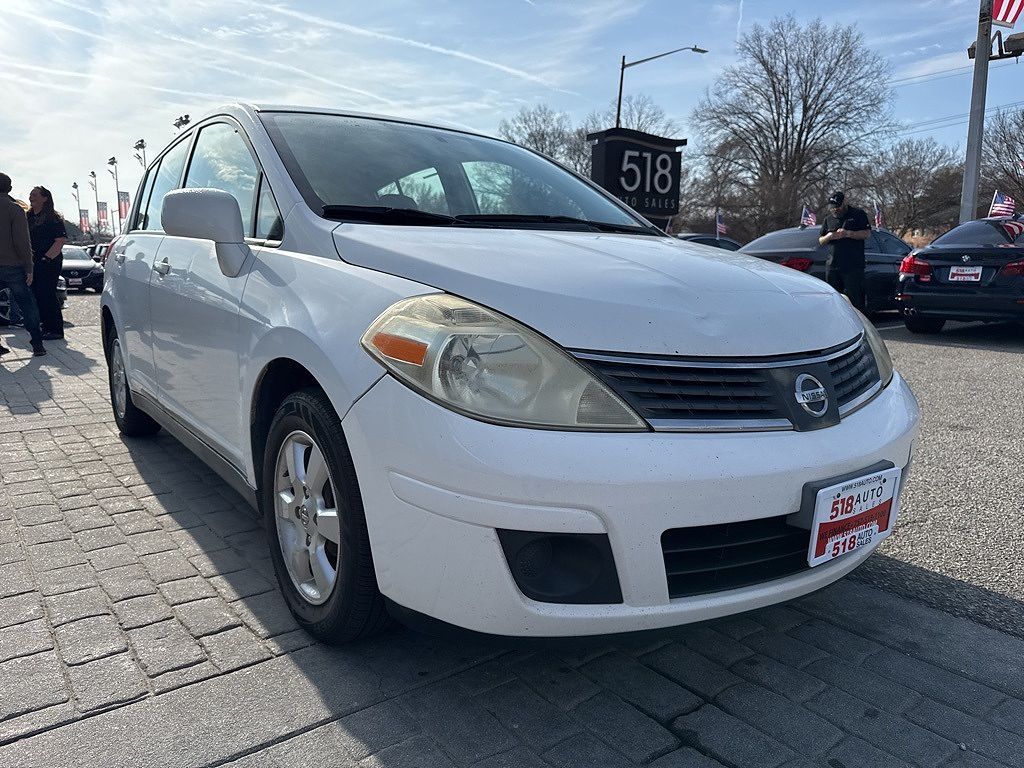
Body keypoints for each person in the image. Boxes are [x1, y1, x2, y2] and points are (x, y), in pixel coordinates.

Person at [0, 173, 45, 356]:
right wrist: (29, 267)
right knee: (27, 305)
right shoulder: (14, 209)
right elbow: (22, 241)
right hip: (12, 266)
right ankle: (37, 344)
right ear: (9, 189)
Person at [818, 191, 871, 311]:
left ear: (844, 204)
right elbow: (821, 240)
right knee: (834, 299)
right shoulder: (828, 219)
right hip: (833, 266)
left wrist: (848, 234)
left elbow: (867, 234)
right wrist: (829, 236)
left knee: (854, 300)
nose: (835, 209)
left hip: (853, 266)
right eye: (832, 207)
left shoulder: (858, 214)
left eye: (837, 206)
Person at [27, 186, 67, 340]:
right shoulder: (28, 216)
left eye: (35, 194)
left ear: (45, 198)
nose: (31, 197)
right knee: (36, 294)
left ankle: (55, 329)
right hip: (32, 261)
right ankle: (44, 326)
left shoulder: (53, 218)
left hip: (49, 261)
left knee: (47, 293)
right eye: (30, 194)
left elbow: (60, 240)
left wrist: (47, 258)